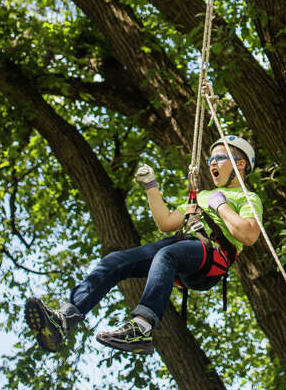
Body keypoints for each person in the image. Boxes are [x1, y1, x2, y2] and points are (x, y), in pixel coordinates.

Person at [23, 136, 262, 356]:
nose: (212, 163)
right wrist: (151, 187)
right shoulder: (202, 196)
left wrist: (220, 205)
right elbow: (166, 223)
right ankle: (65, 319)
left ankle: (142, 327)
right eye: (210, 159)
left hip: (211, 255)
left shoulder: (248, 198)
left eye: (219, 157)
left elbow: (249, 235)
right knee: (115, 261)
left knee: (166, 255)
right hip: (183, 246)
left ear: (240, 164)